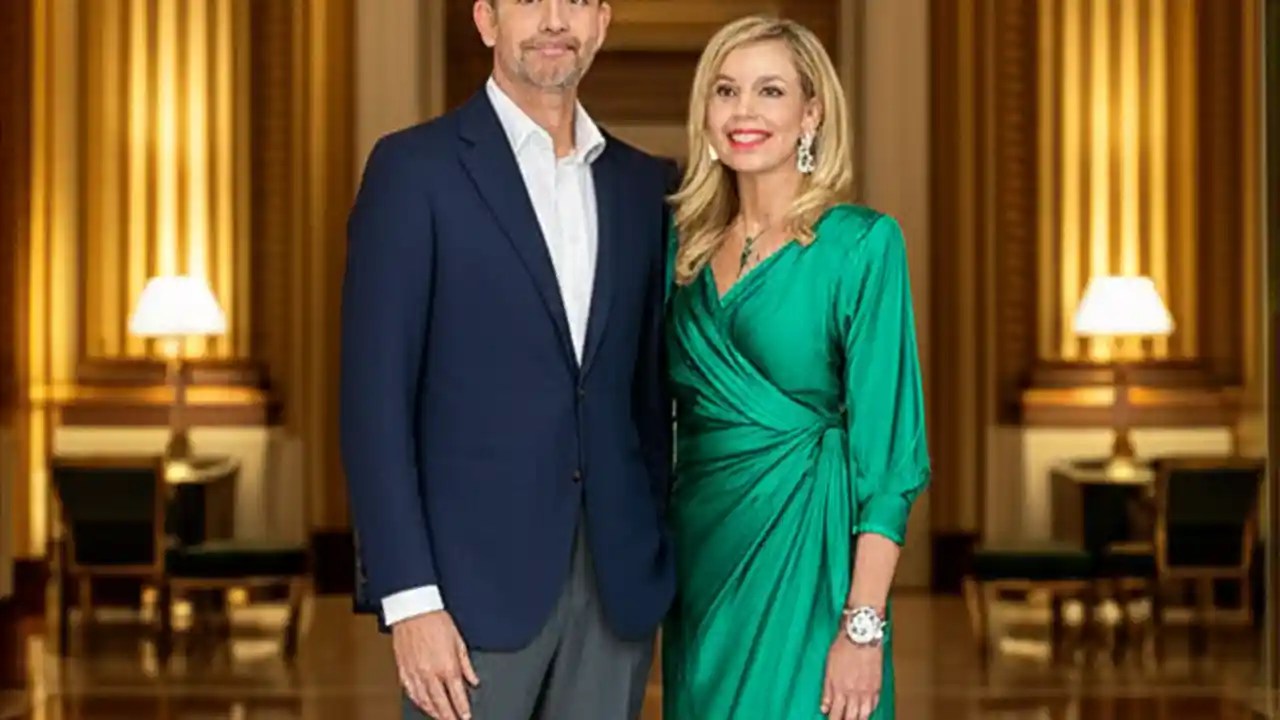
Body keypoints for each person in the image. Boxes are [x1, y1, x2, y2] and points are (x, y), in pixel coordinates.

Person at [339, 0, 677, 718]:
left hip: (615, 596)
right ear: (486, 19)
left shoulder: (646, 187)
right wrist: (409, 599)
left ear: (603, 22)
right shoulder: (412, 170)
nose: (555, 19)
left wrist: (654, 553)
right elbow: (374, 406)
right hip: (464, 602)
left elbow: (646, 402)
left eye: (577, 0)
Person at [660, 15, 931, 720]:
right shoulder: (680, 255)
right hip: (703, 577)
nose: (744, 111)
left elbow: (889, 465)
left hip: (815, 578)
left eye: (769, 91)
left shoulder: (862, 246)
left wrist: (862, 629)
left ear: (811, 112)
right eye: (726, 90)